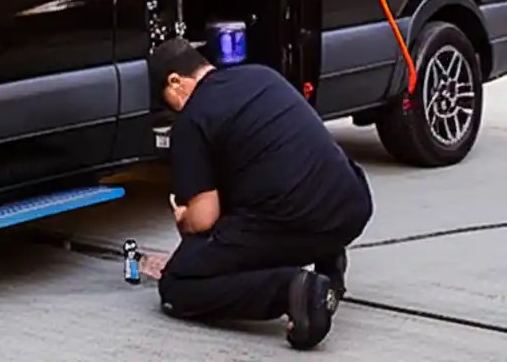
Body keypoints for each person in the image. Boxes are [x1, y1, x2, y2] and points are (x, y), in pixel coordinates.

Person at [148, 38, 373, 351]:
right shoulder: (261, 76)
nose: (170, 109)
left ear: (175, 81)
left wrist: (183, 218)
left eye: (166, 99)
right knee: (267, 191)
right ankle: (327, 258)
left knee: (177, 285)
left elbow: (204, 219)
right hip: (350, 206)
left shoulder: (192, 120)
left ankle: (295, 291)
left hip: (297, 220)